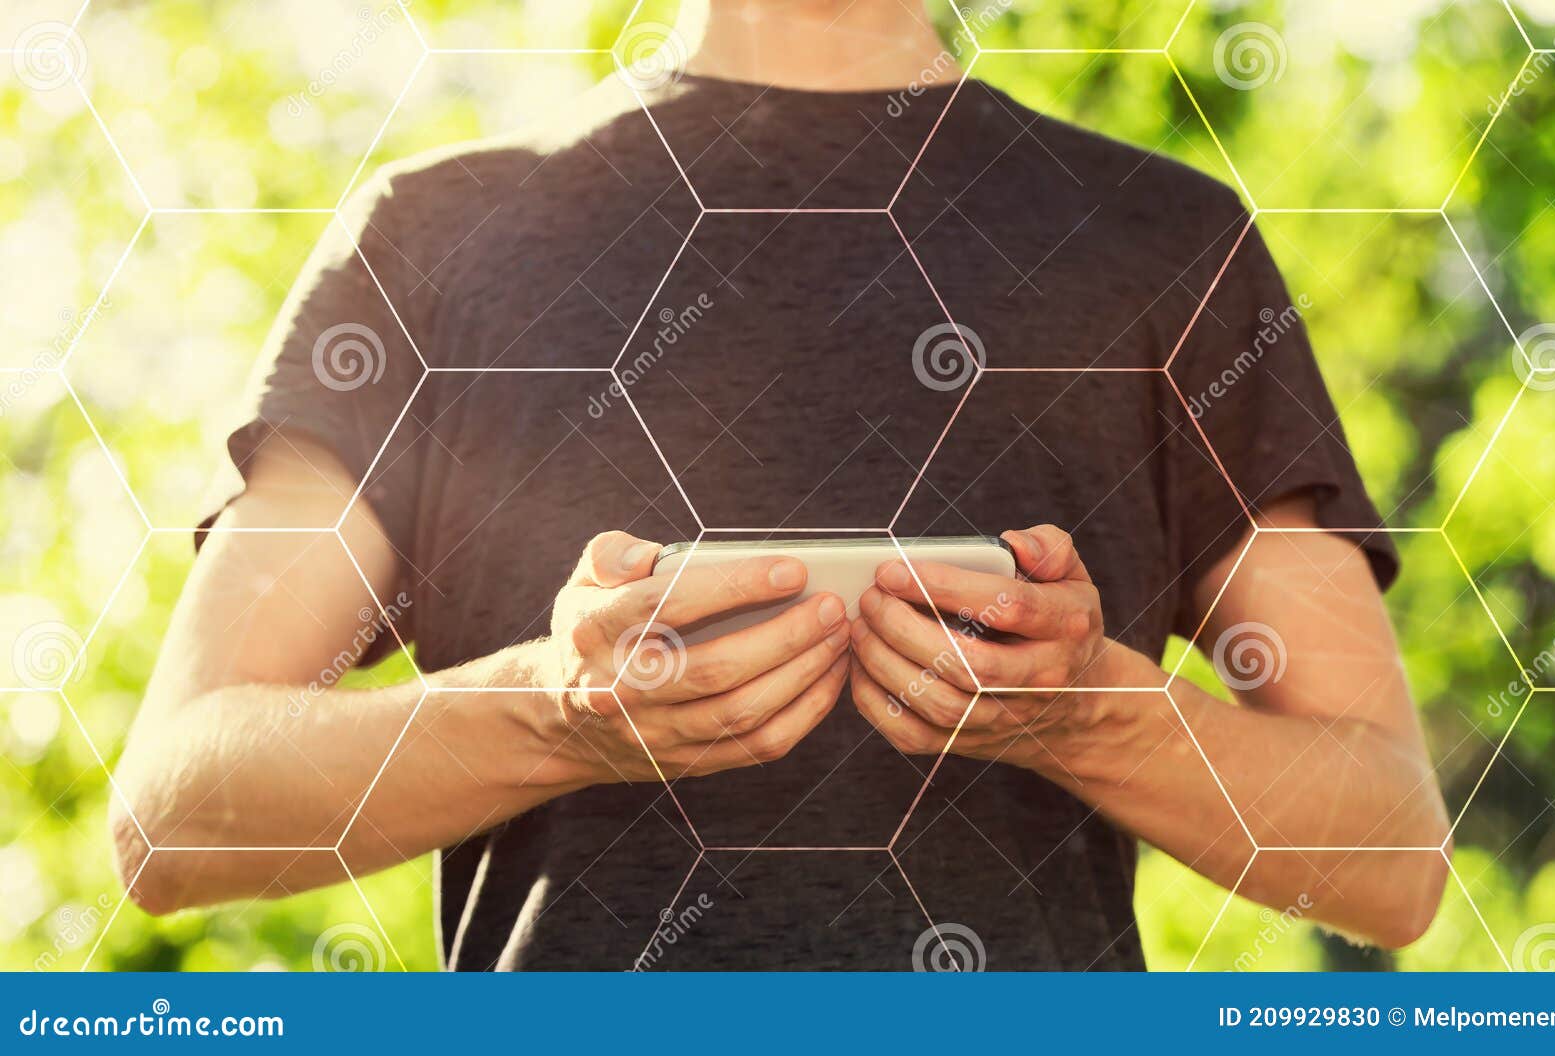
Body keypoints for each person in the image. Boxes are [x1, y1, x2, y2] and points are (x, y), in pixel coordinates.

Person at [110, 0, 1448, 970]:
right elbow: (170, 812)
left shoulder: (1169, 245)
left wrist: (1097, 713)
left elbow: (1391, 858)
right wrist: (547, 711)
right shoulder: (432, 242)